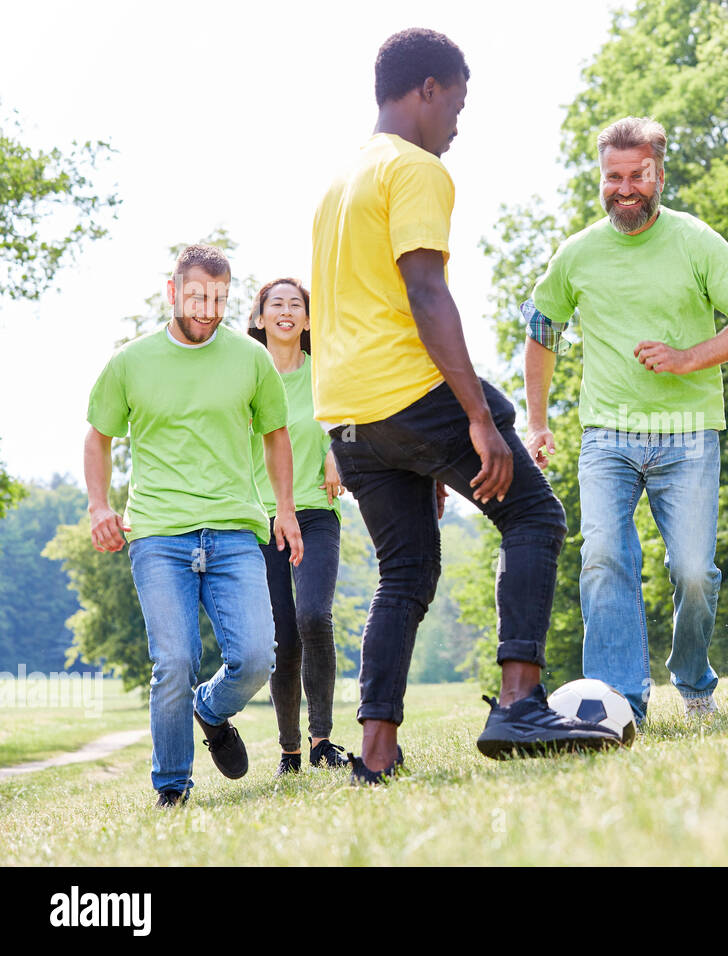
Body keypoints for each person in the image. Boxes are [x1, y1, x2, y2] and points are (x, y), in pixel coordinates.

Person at [310, 27, 621, 783]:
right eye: (458, 101)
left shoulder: (340, 181)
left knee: (406, 572)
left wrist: (432, 441)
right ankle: (519, 700)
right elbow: (425, 292)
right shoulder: (414, 169)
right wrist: (475, 421)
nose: (458, 119)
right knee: (535, 515)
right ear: (427, 89)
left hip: (350, 413)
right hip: (406, 391)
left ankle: (375, 755)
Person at [522, 116, 728, 723]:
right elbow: (541, 332)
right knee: (604, 557)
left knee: (694, 573)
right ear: (601, 179)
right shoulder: (578, 253)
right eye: (613, 177)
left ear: (659, 174)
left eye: (637, 175)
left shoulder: (695, 240)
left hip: (689, 434)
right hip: (606, 437)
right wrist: (537, 423)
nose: (625, 187)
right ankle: (620, 703)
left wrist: (689, 357)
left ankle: (693, 681)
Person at [85, 244, 302, 808]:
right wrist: (99, 505)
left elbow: (277, 433)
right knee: (174, 661)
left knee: (257, 658)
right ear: (173, 290)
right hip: (158, 533)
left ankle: (211, 709)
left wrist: (285, 508)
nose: (208, 309)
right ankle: (173, 786)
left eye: (220, 299)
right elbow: (99, 436)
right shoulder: (130, 362)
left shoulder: (249, 359)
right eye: (198, 295)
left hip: (233, 530)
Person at [247, 278, 349, 774]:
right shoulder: (243, 374)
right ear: (260, 318)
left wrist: (339, 451)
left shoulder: (324, 374)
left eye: (296, 305)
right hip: (257, 520)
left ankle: (322, 739)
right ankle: (290, 750)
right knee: (282, 636)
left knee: (313, 617)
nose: (286, 312)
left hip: (315, 513)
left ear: (308, 320)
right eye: (275, 305)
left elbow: (351, 417)